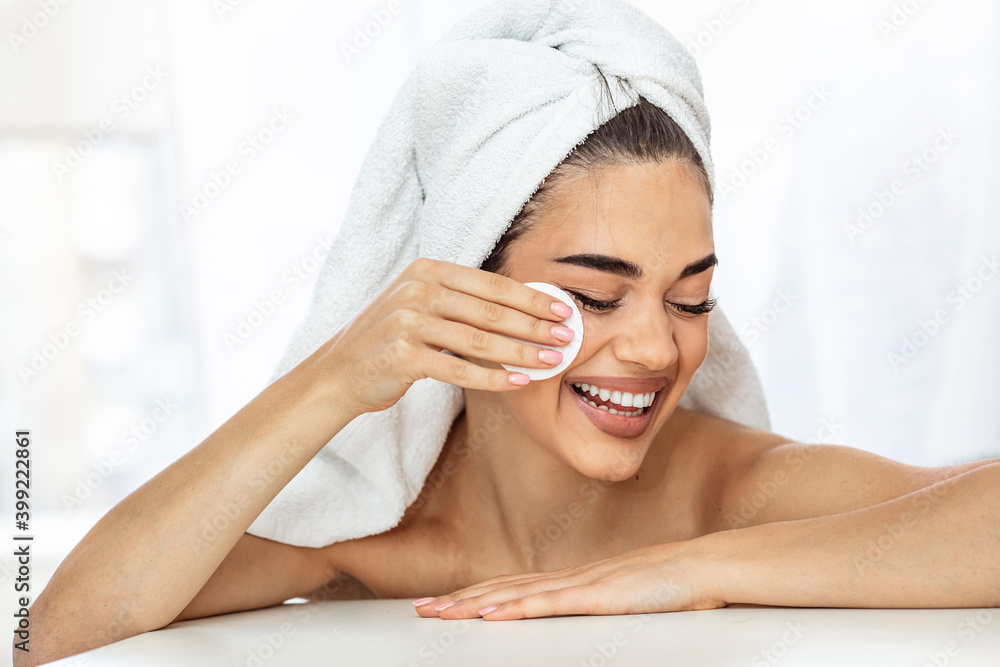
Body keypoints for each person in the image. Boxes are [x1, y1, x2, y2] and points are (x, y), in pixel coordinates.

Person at [19, 22, 1000, 667]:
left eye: (691, 298)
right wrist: (336, 378)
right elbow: (57, 633)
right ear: (463, 285)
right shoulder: (380, 538)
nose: (655, 347)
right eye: (595, 295)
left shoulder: (730, 493)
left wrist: (698, 567)